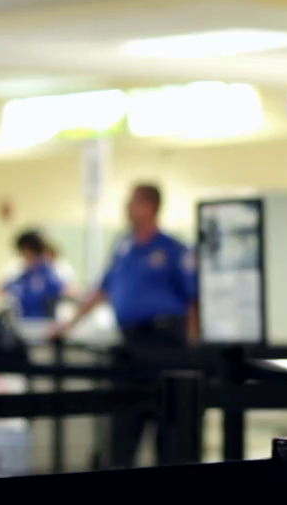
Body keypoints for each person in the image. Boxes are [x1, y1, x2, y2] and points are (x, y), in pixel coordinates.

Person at [54, 182, 196, 467]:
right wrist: (68, 324)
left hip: (165, 341)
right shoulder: (124, 247)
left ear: (150, 206)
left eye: (133, 202)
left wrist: (193, 346)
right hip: (132, 344)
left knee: (168, 425)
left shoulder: (173, 249)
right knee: (124, 423)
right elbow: (101, 290)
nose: (127, 208)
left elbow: (194, 300)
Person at [4, 229, 64, 320]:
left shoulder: (48, 274)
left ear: (29, 251)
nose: (23, 258)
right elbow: (5, 287)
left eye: (24, 253)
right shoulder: (26, 275)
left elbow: (64, 290)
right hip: (26, 323)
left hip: (42, 326)